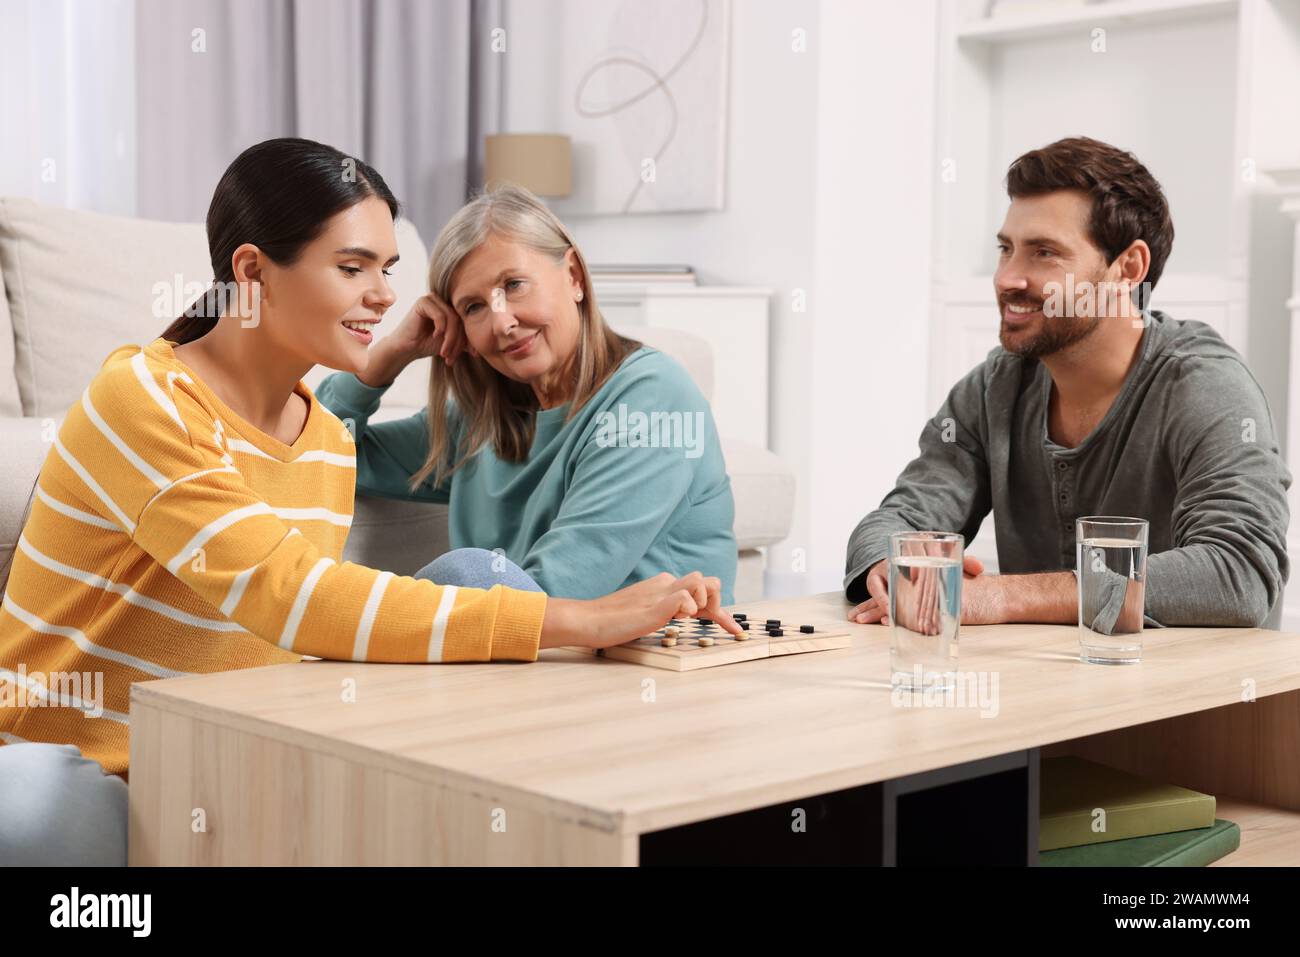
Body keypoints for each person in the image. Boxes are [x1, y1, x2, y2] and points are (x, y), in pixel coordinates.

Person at [0, 137, 738, 866]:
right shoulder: (141, 396)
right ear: (252, 273)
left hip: (226, 765)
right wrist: (589, 617)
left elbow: (315, 586)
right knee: (36, 799)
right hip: (83, 766)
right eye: (354, 268)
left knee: (469, 594)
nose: (386, 295)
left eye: (386, 269)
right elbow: (287, 591)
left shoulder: (321, 438)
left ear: (573, 275)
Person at [846, 136, 1290, 630]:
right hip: (1051, 688)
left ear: (1128, 269)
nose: (1008, 278)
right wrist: (891, 564)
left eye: (1044, 253)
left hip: (1197, 698)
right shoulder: (995, 388)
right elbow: (901, 519)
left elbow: (1239, 576)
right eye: (1006, 249)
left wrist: (1003, 598)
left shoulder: (1204, 386)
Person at [316, 184, 738, 602]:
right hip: (529, 653)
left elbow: (557, 590)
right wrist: (387, 356)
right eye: (474, 307)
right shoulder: (476, 422)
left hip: (649, 658)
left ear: (573, 277)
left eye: (514, 285)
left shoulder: (651, 401)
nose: (501, 323)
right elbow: (319, 452)